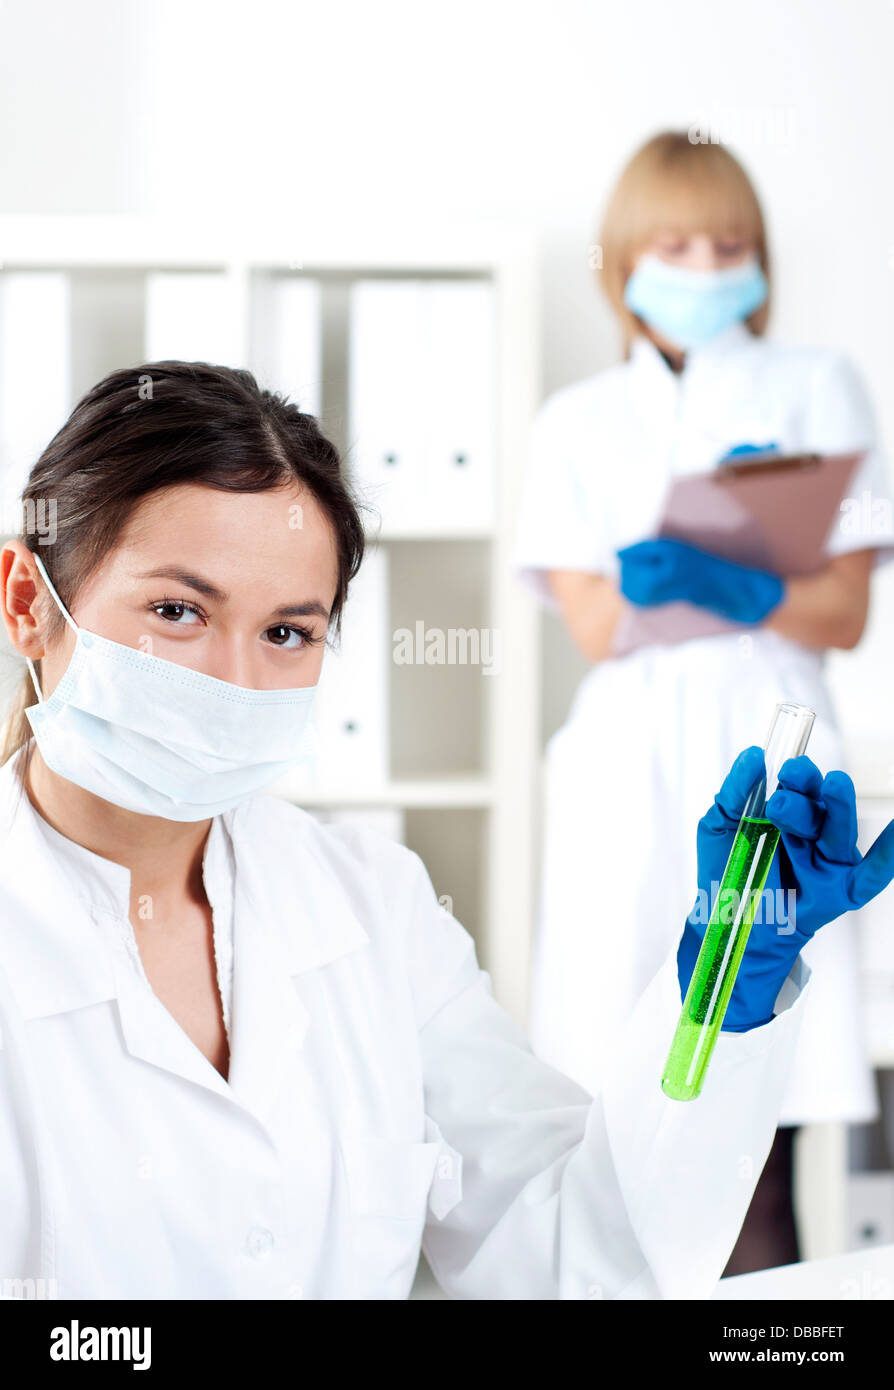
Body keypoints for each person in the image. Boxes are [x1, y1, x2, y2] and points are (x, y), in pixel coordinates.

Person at [0, 361, 891, 1301]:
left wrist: (717, 1000)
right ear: (27, 602)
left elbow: (577, 1260)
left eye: (289, 633)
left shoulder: (369, 904)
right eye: (178, 611)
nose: (235, 679)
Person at [513, 131, 894, 1274]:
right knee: (614, 1075)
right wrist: (758, 583)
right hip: (626, 762)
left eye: (731, 243)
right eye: (677, 242)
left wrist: (734, 581)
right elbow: (592, 625)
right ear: (623, 257)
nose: (706, 262)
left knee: (760, 1070)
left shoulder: (814, 383)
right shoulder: (577, 419)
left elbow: (843, 614)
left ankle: (772, 1325)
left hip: (765, 738)